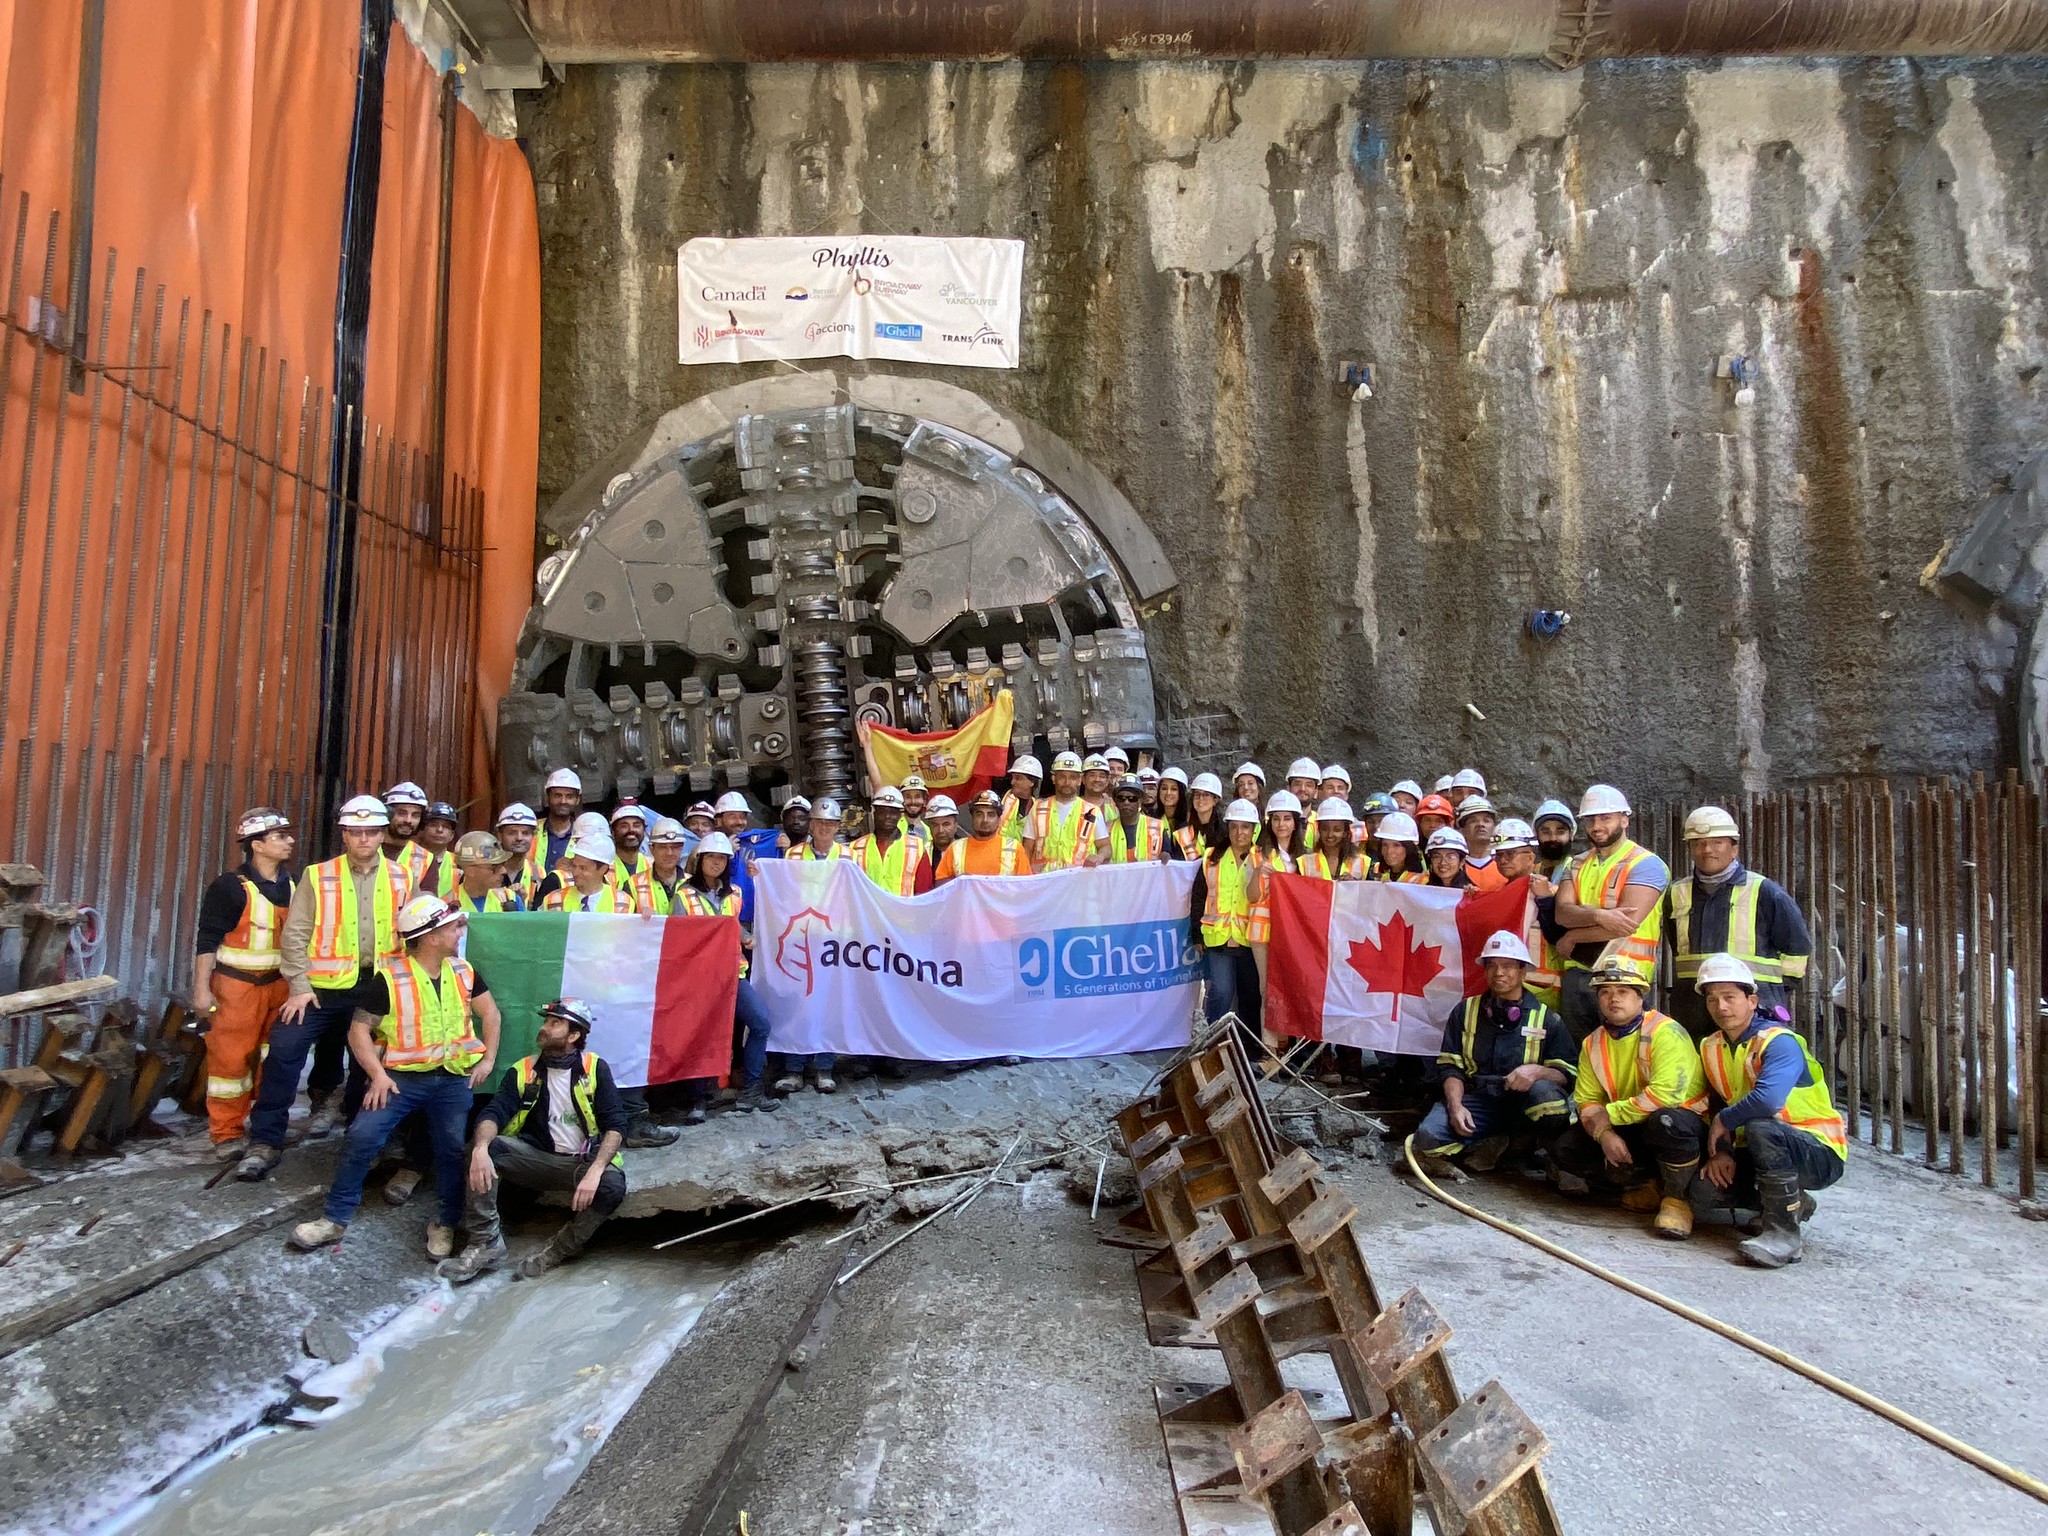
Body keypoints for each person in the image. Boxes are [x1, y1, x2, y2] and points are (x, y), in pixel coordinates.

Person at [288, 894, 501, 1260]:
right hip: (402, 1081)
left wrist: (487, 1061)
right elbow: (358, 1032)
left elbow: (492, 1015)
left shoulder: (464, 971)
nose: (458, 931)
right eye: (452, 926)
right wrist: (378, 1076)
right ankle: (334, 1220)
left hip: (452, 1079)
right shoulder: (389, 979)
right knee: (362, 1136)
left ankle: (446, 1223)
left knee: (451, 1151)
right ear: (431, 936)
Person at [237, 795, 412, 1181]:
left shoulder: (402, 877)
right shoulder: (318, 875)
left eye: (371, 832)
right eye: (355, 832)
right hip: (320, 989)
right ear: (344, 835)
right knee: (284, 1050)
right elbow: (296, 933)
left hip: (377, 987)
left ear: (383, 834)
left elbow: (410, 934)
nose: (364, 839)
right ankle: (265, 1141)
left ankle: (361, 1137)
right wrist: (298, 986)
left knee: (375, 1061)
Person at [440, 997, 628, 1283]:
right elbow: (494, 1112)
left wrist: (596, 1171)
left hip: (579, 1164)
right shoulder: (523, 1069)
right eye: (546, 1021)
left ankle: (557, 1251)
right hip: (534, 1158)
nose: (545, 1028)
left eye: (555, 1023)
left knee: (613, 1185)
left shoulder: (595, 1068)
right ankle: (485, 1244)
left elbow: (615, 1125)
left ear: (574, 1035)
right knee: (486, 1148)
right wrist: (480, 1148)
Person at [1694, 955, 1846, 1268]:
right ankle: (1793, 1203)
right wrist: (1721, 1152)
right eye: (1713, 999)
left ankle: (1784, 1235)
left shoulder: (1779, 1042)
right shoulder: (1712, 1046)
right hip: (1759, 1146)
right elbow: (1720, 1101)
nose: (1721, 1007)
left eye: (1730, 998)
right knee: (1705, 1194)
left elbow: (1767, 1101)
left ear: (1752, 1000)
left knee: (1761, 1126)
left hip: (1816, 1152)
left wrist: (1724, 1121)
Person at [1552, 959, 1707, 1240]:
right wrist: (1603, 1134)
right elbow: (1587, 1100)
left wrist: (1608, 1117)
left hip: (1683, 1128)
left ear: (1640, 996)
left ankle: (1677, 1200)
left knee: (1666, 1121)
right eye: (1605, 992)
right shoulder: (1593, 1042)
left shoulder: (1666, 1033)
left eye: (1622, 991)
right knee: (1567, 1148)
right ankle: (1648, 1184)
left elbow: (1665, 1096)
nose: (1613, 999)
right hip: (1632, 1123)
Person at [1412, 931, 1577, 1171]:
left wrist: (1537, 1072)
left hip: (1523, 1104)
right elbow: (1450, 1068)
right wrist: (1456, 1107)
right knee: (1427, 1139)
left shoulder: (1547, 1018)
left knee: (1549, 1102)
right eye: (1492, 965)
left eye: (1508, 966)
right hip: (1478, 1101)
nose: (1499, 973)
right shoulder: (1465, 1011)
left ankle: (1532, 1149)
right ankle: (1499, 1147)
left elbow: (1567, 1074)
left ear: (1523, 972)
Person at [192, 808, 298, 1159]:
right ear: (257, 845)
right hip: (236, 988)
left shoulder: (294, 885)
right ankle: (226, 1133)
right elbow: (207, 940)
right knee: (230, 1063)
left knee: (275, 1060)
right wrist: (201, 990)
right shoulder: (228, 888)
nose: (290, 841)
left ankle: (264, 1130)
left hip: (280, 987)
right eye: (280, 836)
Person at [1665, 805, 1812, 1042]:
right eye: (1698, 843)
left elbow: (1797, 952)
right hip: (1694, 1010)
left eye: (1717, 842)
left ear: (1735, 848)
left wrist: (1766, 992)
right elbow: (1678, 949)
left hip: (1754, 1010)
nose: (1707, 850)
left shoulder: (1765, 892)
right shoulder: (1675, 894)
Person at [677, 832, 781, 1118]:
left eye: (722, 858)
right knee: (703, 1036)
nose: (716, 863)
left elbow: (734, 925)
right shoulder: (684, 896)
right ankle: (698, 1100)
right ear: (700, 860)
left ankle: (751, 1089)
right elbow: (679, 938)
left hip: (734, 975)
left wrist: (746, 936)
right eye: (711, 857)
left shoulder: (734, 893)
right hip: (701, 980)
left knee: (760, 1023)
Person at [1553, 784, 1668, 1044]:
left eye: (1605, 817)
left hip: (1626, 978)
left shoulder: (1647, 864)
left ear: (1624, 819)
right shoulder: (1577, 862)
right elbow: (1561, 913)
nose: (1597, 825)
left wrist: (1573, 937)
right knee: (1578, 1058)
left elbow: (1626, 924)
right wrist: (1601, 916)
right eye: (1590, 819)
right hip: (1579, 975)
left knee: (1629, 1057)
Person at [1201, 799, 1266, 1030]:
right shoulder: (1211, 856)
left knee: (1251, 996)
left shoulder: (1262, 858)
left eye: (1245, 827)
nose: (1239, 832)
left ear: (1254, 829)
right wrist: (1196, 936)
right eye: (1234, 826)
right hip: (1218, 936)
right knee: (1221, 991)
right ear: (1227, 828)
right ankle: (1210, 1040)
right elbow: (1199, 895)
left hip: (1250, 939)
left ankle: (1248, 1047)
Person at [1491, 820, 1561, 1007]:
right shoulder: (1497, 896)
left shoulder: (1552, 892)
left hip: (1545, 989)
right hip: (1506, 987)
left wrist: (1545, 900)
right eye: (1498, 855)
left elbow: (1559, 934)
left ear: (1530, 857)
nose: (1503, 860)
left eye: (1510, 853)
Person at [850, 786, 935, 893]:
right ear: (874, 814)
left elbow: (923, 892)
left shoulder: (917, 848)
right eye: (882, 811)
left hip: (903, 910)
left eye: (893, 812)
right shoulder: (855, 848)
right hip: (867, 910)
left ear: (900, 815)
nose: (888, 816)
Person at [1027, 751, 1103, 870]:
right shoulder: (1038, 808)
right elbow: (1027, 848)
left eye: (1072, 777)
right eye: (1062, 776)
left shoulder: (1092, 811)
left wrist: (1100, 856)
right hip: (1045, 881)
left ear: (1079, 780)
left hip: (1078, 882)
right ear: (1053, 778)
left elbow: (1105, 846)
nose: (1067, 782)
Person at [938, 789, 1034, 879]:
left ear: (999, 820)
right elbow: (941, 885)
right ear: (972, 818)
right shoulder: (955, 848)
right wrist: (961, 881)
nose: (985, 820)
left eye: (991, 815)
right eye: (979, 814)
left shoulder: (1014, 848)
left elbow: (1025, 887)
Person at [541, 832, 639, 912]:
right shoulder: (552, 900)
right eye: (574, 866)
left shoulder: (624, 903)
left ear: (603, 869)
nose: (575, 872)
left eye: (583, 868)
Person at [530, 769, 583, 888]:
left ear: (577, 800)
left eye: (569, 796)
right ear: (547, 797)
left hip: (568, 901)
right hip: (530, 901)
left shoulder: (584, 834)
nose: (563, 801)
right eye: (558, 795)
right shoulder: (530, 830)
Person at [1105, 775, 1173, 862]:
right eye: (1121, 798)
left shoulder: (1158, 827)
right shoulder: (1106, 829)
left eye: (1132, 799)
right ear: (1115, 801)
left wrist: (1165, 855)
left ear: (1140, 801)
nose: (1126, 802)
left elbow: (1167, 854)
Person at [452, 831, 524, 913]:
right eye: (494, 867)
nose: (503, 871)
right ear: (470, 871)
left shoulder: (510, 898)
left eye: (503, 864)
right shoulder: (449, 902)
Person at [1298, 799, 1370, 881]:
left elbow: (1369, 892)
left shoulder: (1363, 863)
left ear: (1345, 832)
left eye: (1337, 830)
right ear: (1319, 830)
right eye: (1325, 829)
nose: (1330, 834)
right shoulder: (1304, 862)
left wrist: (1354, 884)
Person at [382, 781, 434, 889]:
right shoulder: (365, 848)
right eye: (402, 813)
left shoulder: (427, 860)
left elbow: (428, 902)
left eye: (415, 815)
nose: (408, 820)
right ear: (387, 815)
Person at [495, 803, 541, 904]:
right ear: (499, 835)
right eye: (512, 833)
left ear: (533, 836)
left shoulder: (538, 873)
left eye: (525, 833)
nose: (519, 838)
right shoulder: (487, 871)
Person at [1456, 796, 1506, 892]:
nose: (1480, 824)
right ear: (1462, 829)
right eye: (1473, 821)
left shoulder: (1506, 863)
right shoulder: (1453, 866)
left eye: (1486, 820)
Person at [1178, 771, 1225, 859]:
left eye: (1206, 795)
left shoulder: (1225, 832)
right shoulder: (1184, 831)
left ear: (1215, 800)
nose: (1200, 799)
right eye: (1197, 794)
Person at [418, 802, 460, 896]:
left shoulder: (459, 863)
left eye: (445, 826)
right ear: (423, 829)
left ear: (452, 835)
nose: (439, 830)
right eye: (433, 825)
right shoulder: (411, 857)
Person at [1372, 812, 1428, 883]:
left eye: (1396, 845)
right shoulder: (1375, 872)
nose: (1389, 851)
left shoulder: (1423, 880)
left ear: (1409, 848)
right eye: (1385, 845)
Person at [609, 801, 652, 891]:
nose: (631, 830)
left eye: (636, 825)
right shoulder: (604, 868)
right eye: (624, 826)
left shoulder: (653, 866)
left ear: (644, 831)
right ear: (613, 832)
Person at [1000, 754, 1042, 843]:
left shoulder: (1038, 809)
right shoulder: (1000, 803)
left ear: (1032, 782)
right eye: (1013, 777)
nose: (1012, 782)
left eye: (1018, 778)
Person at [1532, 799, 1576, 881]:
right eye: (1545, 832)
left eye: (1560, 832)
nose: (1553, 838)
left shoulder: (1577, 871)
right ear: (1536, 835)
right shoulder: (1532, 872)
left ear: (1571, 835)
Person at [925, 794, 961, 865]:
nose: (940, 830)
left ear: (955, 826)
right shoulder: (922, 852)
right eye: (935, 825)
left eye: (946, 824)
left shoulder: (967, 850)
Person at [900, 774, 933, 843]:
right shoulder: (893, 826)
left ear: (924, 800)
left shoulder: (928, 831)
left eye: (917, 796)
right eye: (908, 797)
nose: (913, 801)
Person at [1156, 766, 1189, 835]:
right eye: (1164, 788)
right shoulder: (1152, 819)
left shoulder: (1189, 821)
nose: (1168, 793)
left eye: (1174, 789)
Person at [1080, 754, 1113, 819]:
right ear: (1083, 779)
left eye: (1102, 776)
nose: (1097, 780)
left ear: (1107, 781)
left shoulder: (1113, 805)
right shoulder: (1074, 805)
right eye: (1092, 775)